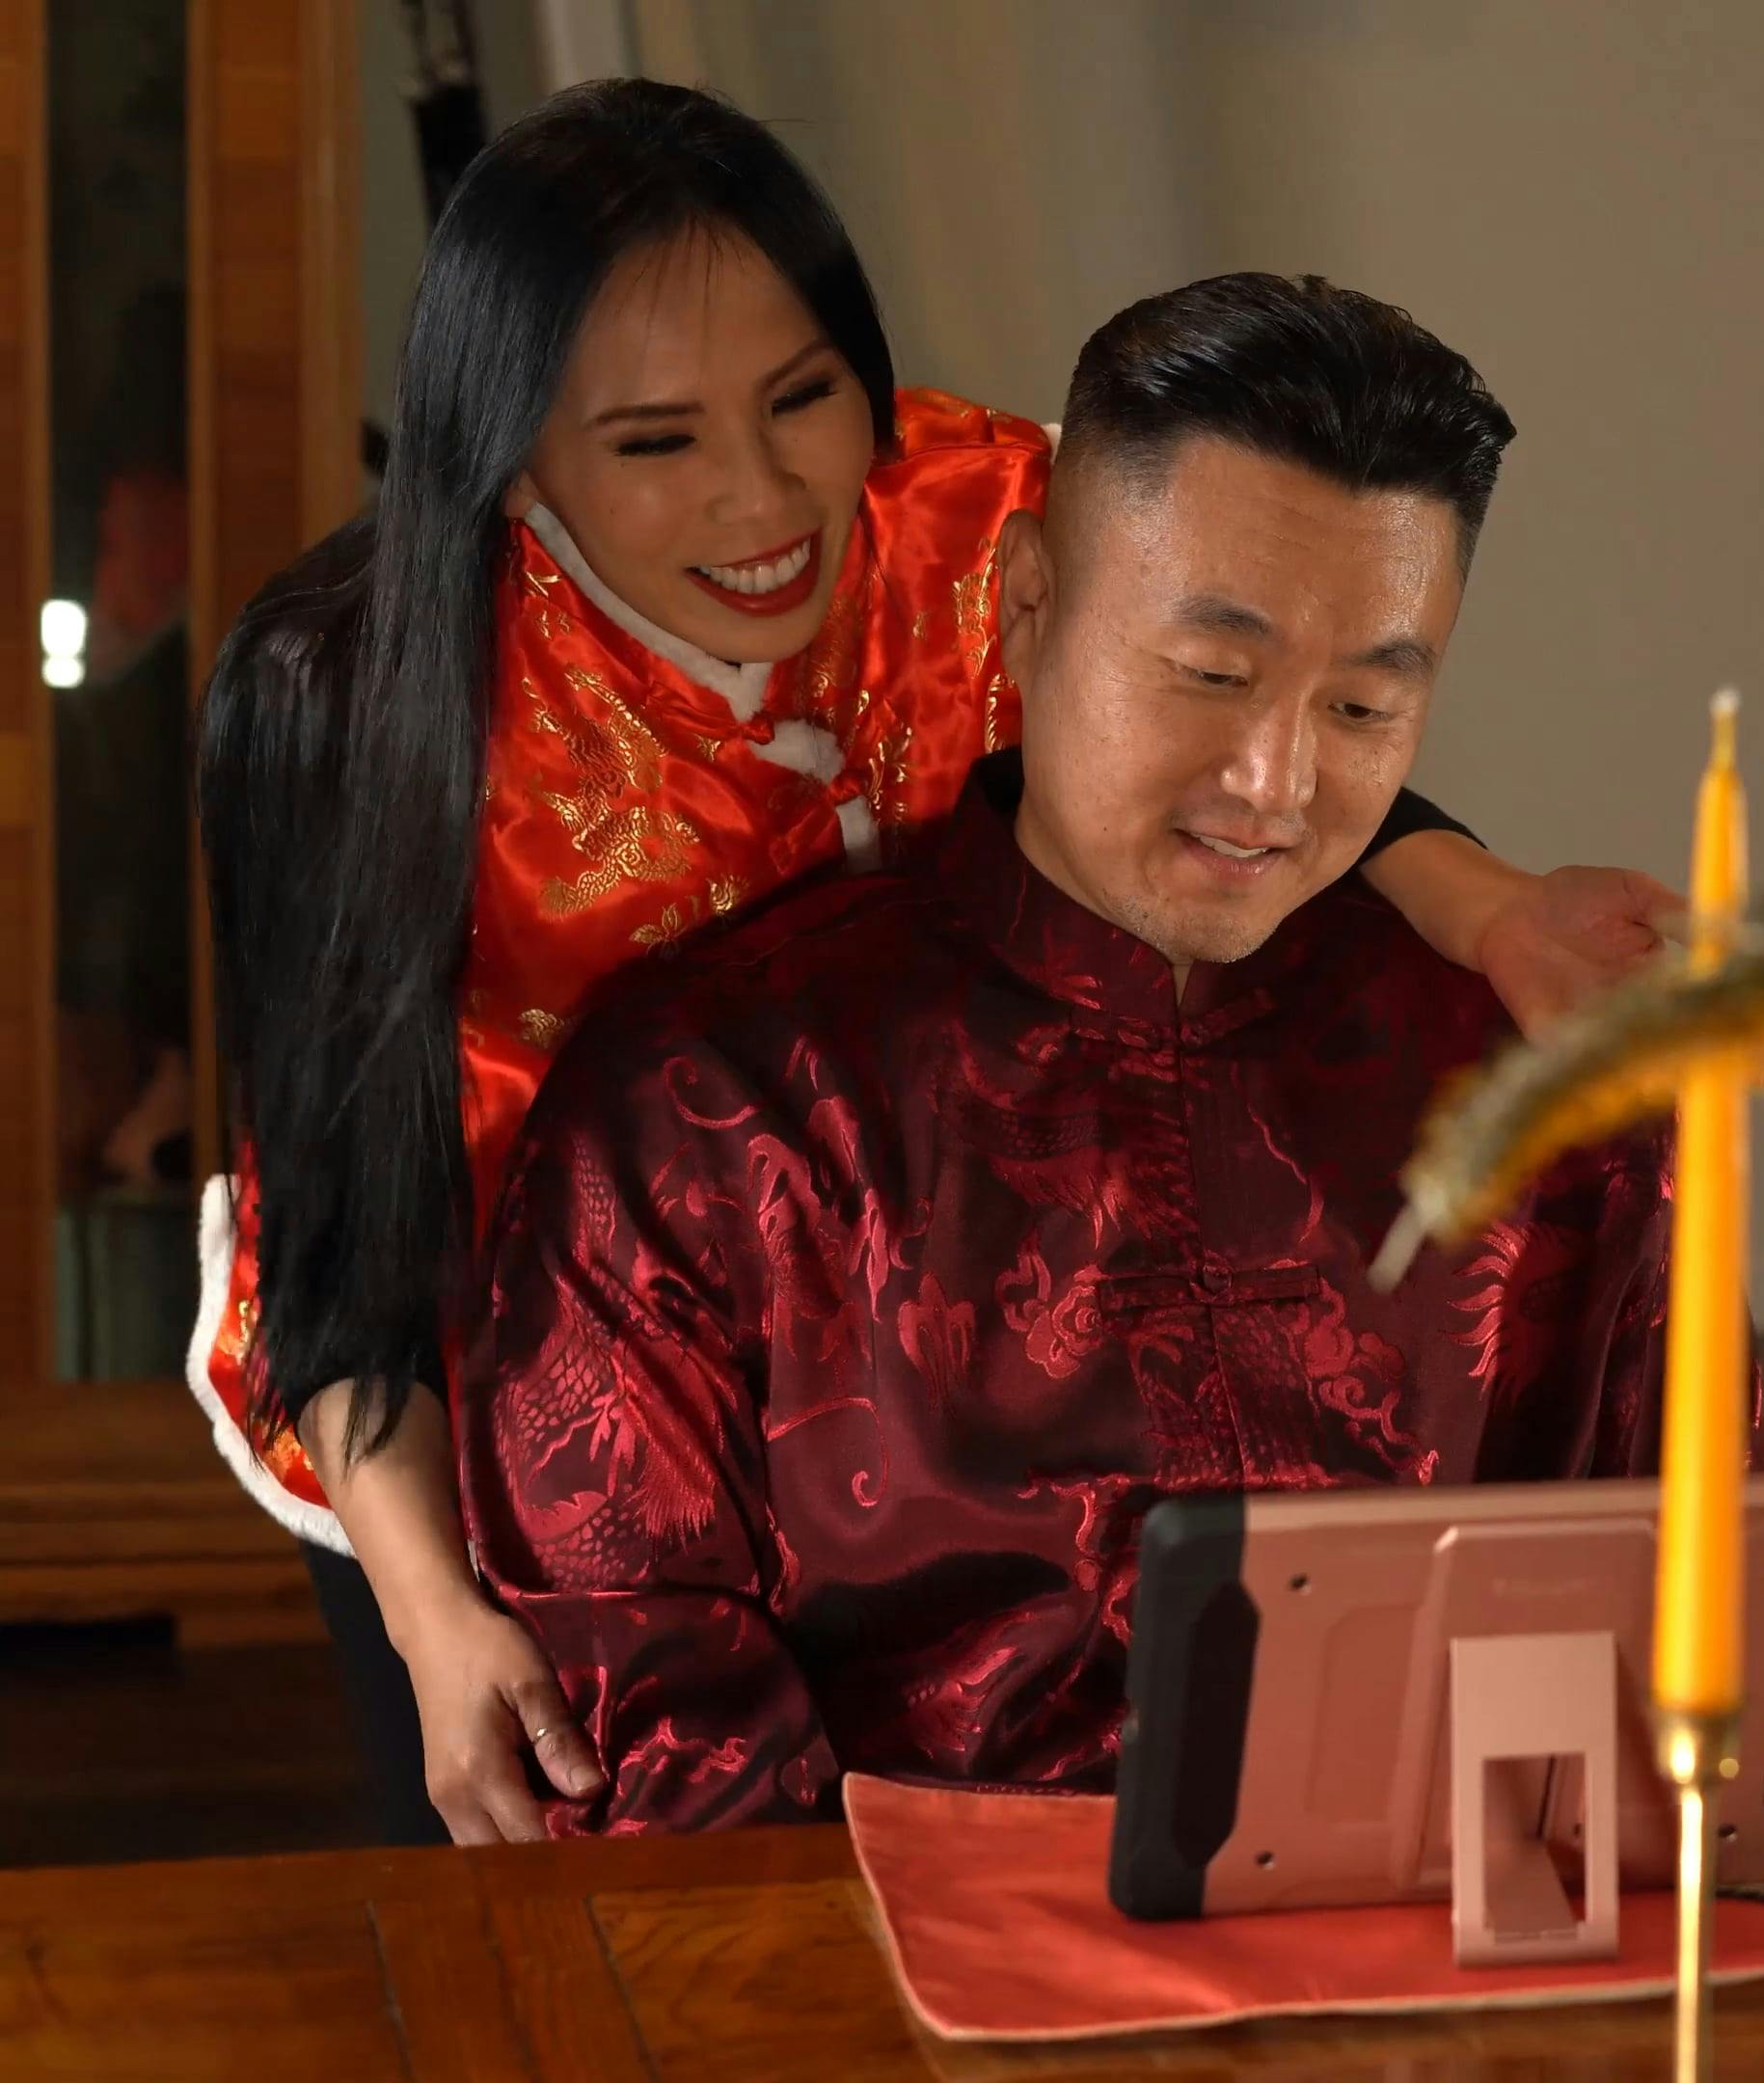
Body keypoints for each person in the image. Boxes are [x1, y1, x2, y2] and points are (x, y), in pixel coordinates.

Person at [194, 83, 1675, 1849]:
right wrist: (438, 1619)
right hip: (422, 1369)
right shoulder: (347, 690)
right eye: (657, 442)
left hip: (852, 1268)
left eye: (808, 397)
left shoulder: (983, 509)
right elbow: (338, 1232)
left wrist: (1494, 904)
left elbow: (1257, 657)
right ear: (506, 447)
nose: (762, 498)